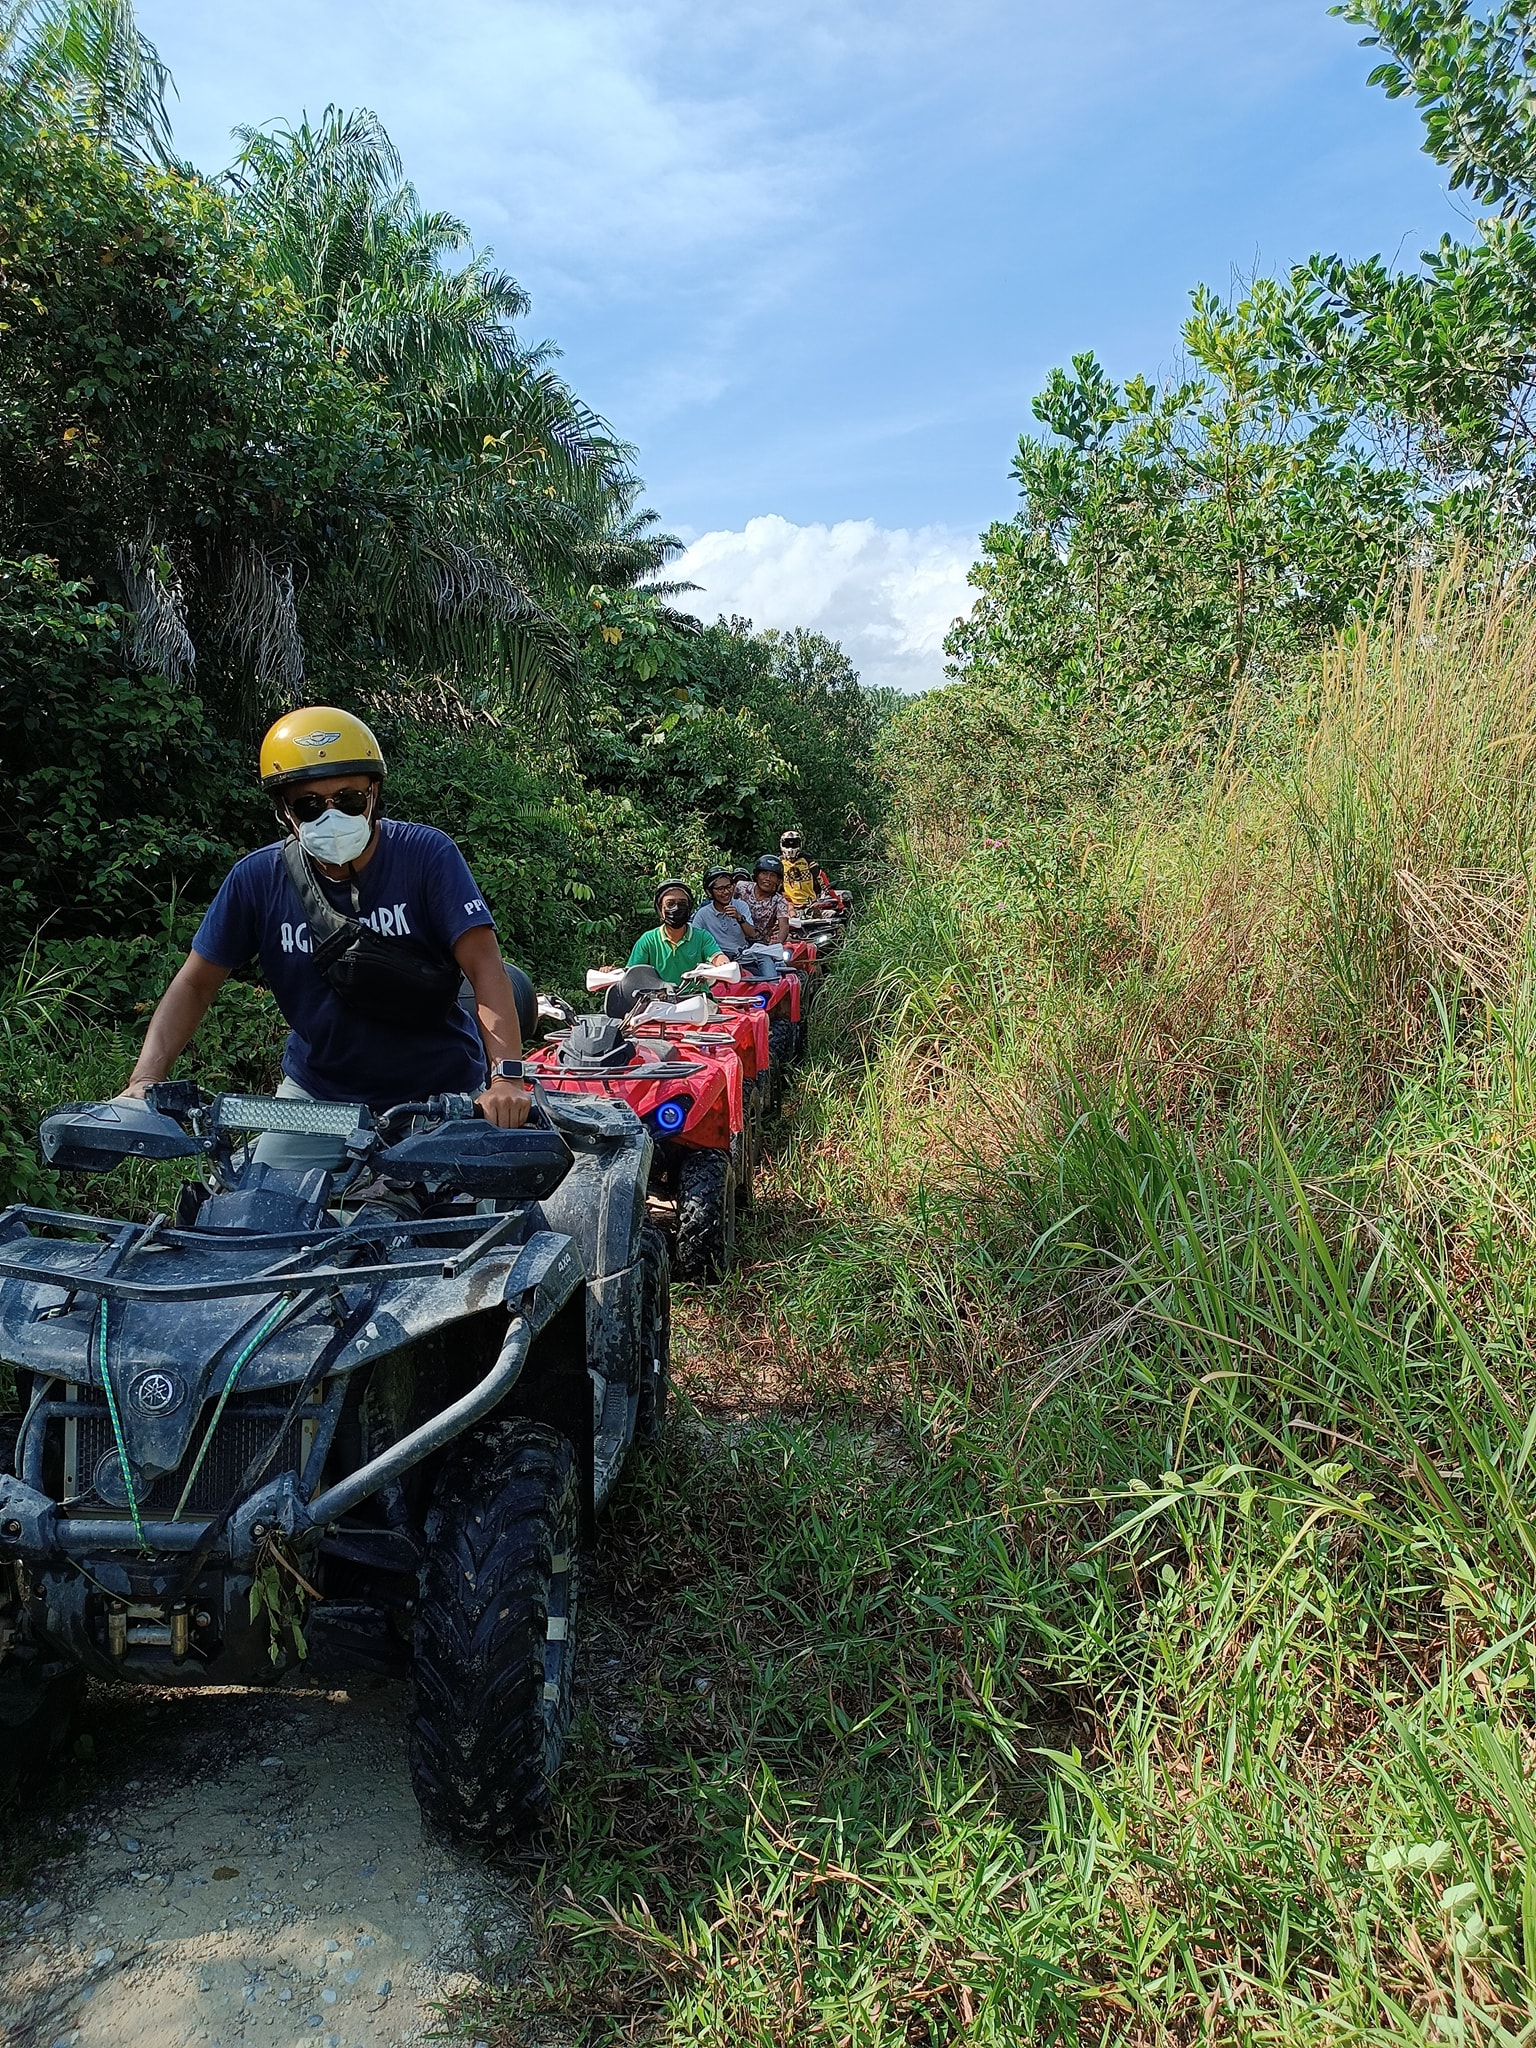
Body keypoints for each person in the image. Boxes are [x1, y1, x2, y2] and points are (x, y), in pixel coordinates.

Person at [122, 707, 531, 1170]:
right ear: (285, 811)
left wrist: (507, 1080)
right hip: (316, 1096)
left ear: (373, 794)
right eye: (310, 804)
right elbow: (195, 984)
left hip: (440, 1094)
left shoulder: (427, 856)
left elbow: (485, 969)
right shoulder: (258, 879)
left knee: (469, 1222)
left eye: (349, 799)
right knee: (253, 1212)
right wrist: (146, 1080)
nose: (331, 815)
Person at [627, 880, 730, 980]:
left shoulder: (702, 937)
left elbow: (716, 957)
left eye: (682, 903)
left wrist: (725, 965)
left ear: (689, 908)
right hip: (659, 996)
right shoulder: (648, 940)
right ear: (660, 910)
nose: (676, 908)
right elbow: (632, 973)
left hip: (696, 995)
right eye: (670, 904)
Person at [691, 866, 756, 959]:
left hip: (742, 956)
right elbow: (695, 940)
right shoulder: (703, 914)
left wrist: (739, 918)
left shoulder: (741, 906)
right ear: (709, 892)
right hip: (717, 958)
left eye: (728, 887)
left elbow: (752, 934)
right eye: (720, 889)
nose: (725, 892)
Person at [778, 828, 838, 913]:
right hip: (789, 905)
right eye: (787, 844)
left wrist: (829, 893)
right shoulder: (779, 862)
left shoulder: (807, 859)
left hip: (811, 904)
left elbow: (820, 876)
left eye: (794, 844)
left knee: (831, 914)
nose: (790, 848)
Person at [742, 855, 792, 945]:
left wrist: (779, 942)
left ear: (778, 880)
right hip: (733, 938)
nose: (768, 879)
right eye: (764, 873)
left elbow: (784, 926)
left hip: (759, 943)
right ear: (757, 875)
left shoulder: (779, 901)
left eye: (773, 875)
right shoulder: (741, 888)